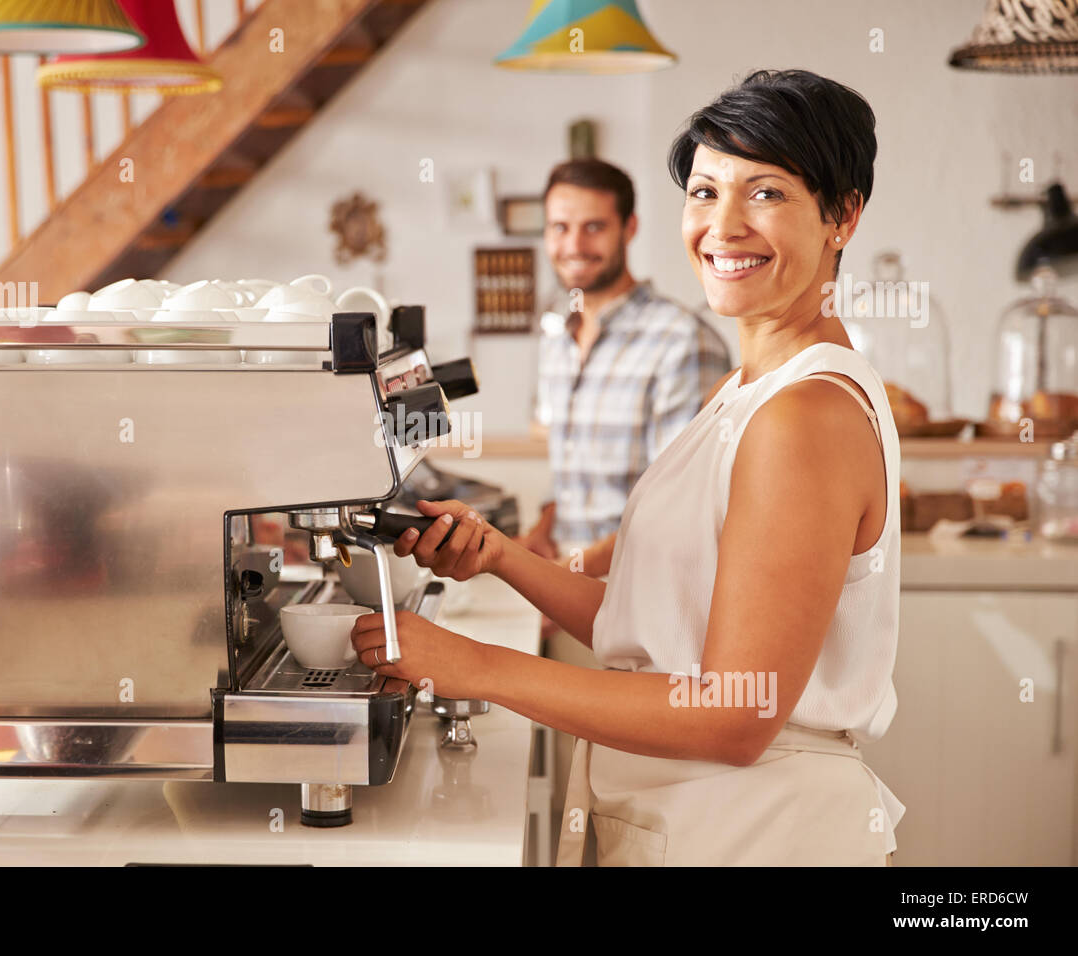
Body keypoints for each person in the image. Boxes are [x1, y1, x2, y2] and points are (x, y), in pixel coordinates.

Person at [352, 69, 904, 865]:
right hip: (703, 819)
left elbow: (731, 714)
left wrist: (474, 665)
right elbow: (654, 625)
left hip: (759, 832)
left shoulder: (803, 416)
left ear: (843, 217)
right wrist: (506, 559)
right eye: (706, 192)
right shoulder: (749, 392)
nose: (724, 225)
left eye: (767, 194)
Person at [519, 158, 731, 577]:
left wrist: (560, 580)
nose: (574, 245)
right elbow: (578, 478)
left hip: (647, 592)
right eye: (560, 228)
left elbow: (679, 507)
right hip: (570, 589)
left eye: (594, 227)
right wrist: (544, 530)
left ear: (629, 229)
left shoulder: (682, 341)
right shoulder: (557, 340)